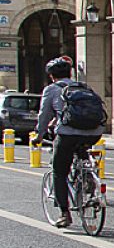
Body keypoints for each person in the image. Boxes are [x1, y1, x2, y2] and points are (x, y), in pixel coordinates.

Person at [36, 57, 105, 229]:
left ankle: (64, 213)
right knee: (81, 151)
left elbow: (44, 115)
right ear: (71, 73)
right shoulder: (84, 88)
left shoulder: (51, 89)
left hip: (67, 134)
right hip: (94, 133)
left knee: (59, 171)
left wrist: (38, 135)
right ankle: (87, 178)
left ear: (52, 76)